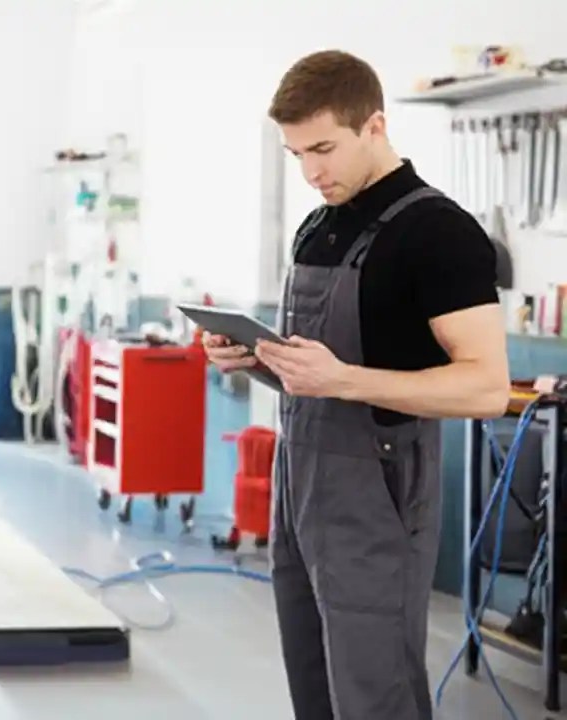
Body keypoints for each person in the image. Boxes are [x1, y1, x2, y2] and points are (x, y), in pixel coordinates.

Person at [204, 50, 511, 720]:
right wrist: (253, 359)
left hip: (378, 494)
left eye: (323, 148)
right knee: (313, 685)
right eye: (295, 155)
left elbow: (486, 387)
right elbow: (317, 375)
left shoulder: (439, 233)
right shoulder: (317, 228)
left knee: (376, 695)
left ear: (374, 125)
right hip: (301, 486)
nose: (312, 172)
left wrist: (343, 379)